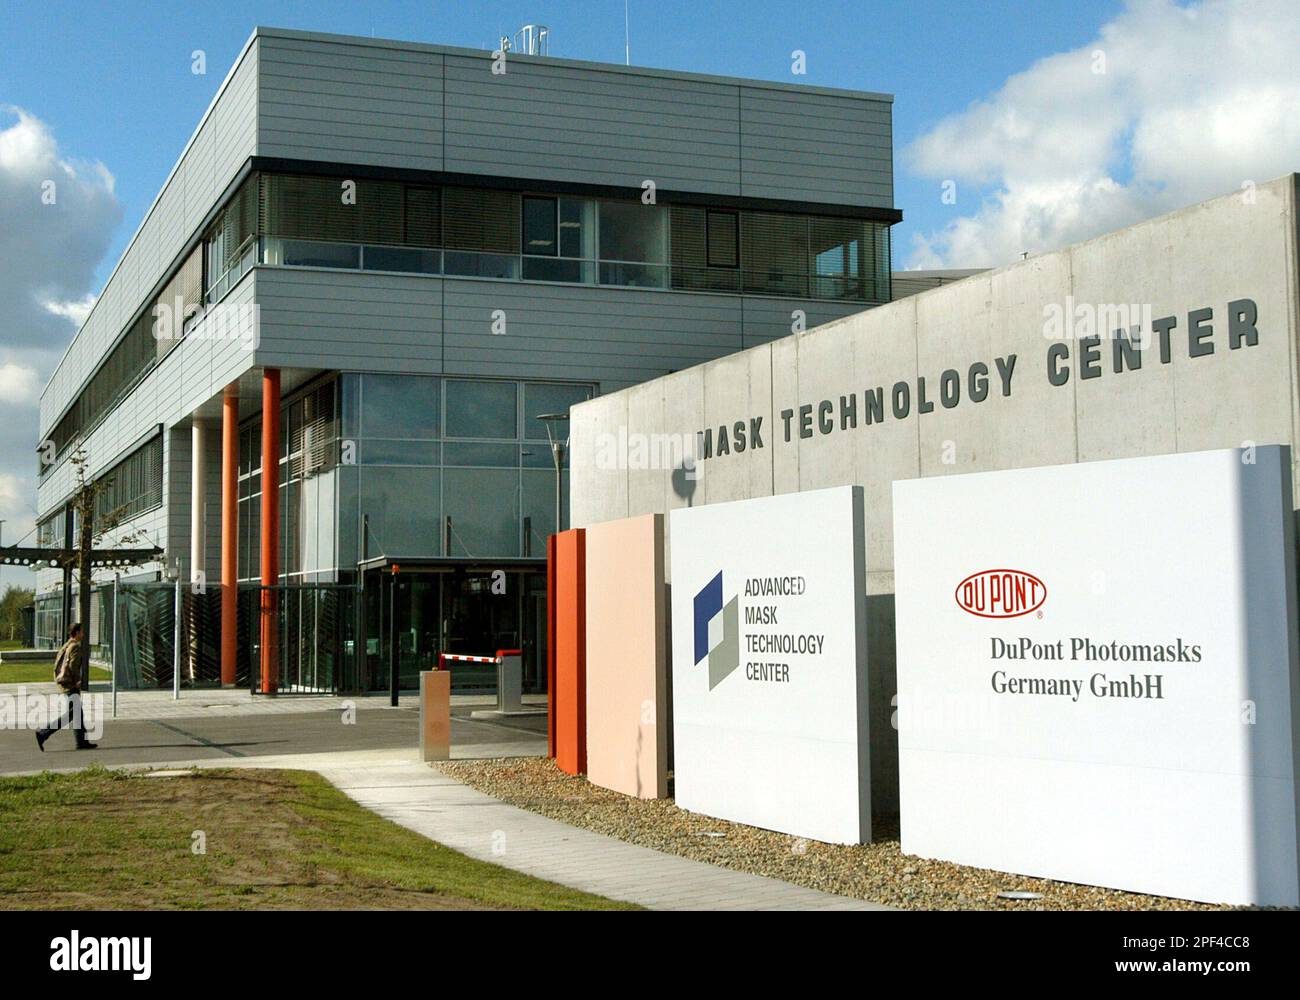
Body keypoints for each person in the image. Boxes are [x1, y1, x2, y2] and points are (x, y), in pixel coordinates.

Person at [35, 623, 98, 751]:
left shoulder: (67, 645)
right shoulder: (75, 647)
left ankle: (82, 742)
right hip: (70, 684)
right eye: (82, 631)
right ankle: (43, 734)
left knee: (77, 714)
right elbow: (73, 666)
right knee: (71, 714)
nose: (83, 634)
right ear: (77, 632)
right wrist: (77, 681)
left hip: (64, 683)